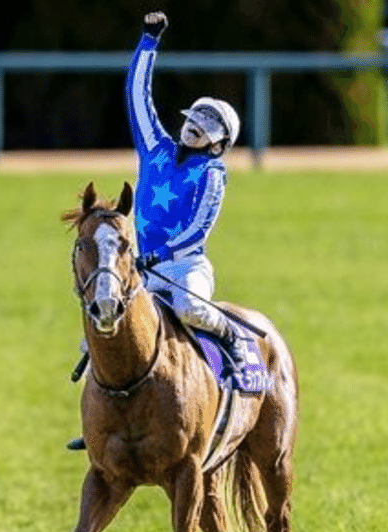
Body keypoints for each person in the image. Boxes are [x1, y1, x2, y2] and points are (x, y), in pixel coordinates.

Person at [67, 10, 249, 451]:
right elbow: (137, 95)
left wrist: (160, 254)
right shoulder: (155, 148)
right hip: (140, 267)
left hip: (185, 267)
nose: (193, 128)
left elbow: (199, 228)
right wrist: (149, 41)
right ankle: (98, 424)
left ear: (219, 143)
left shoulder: (213, 174)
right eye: (193, 120)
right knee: (100, 327)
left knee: (189, 306)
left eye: (205, 128)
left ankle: (230, 337)